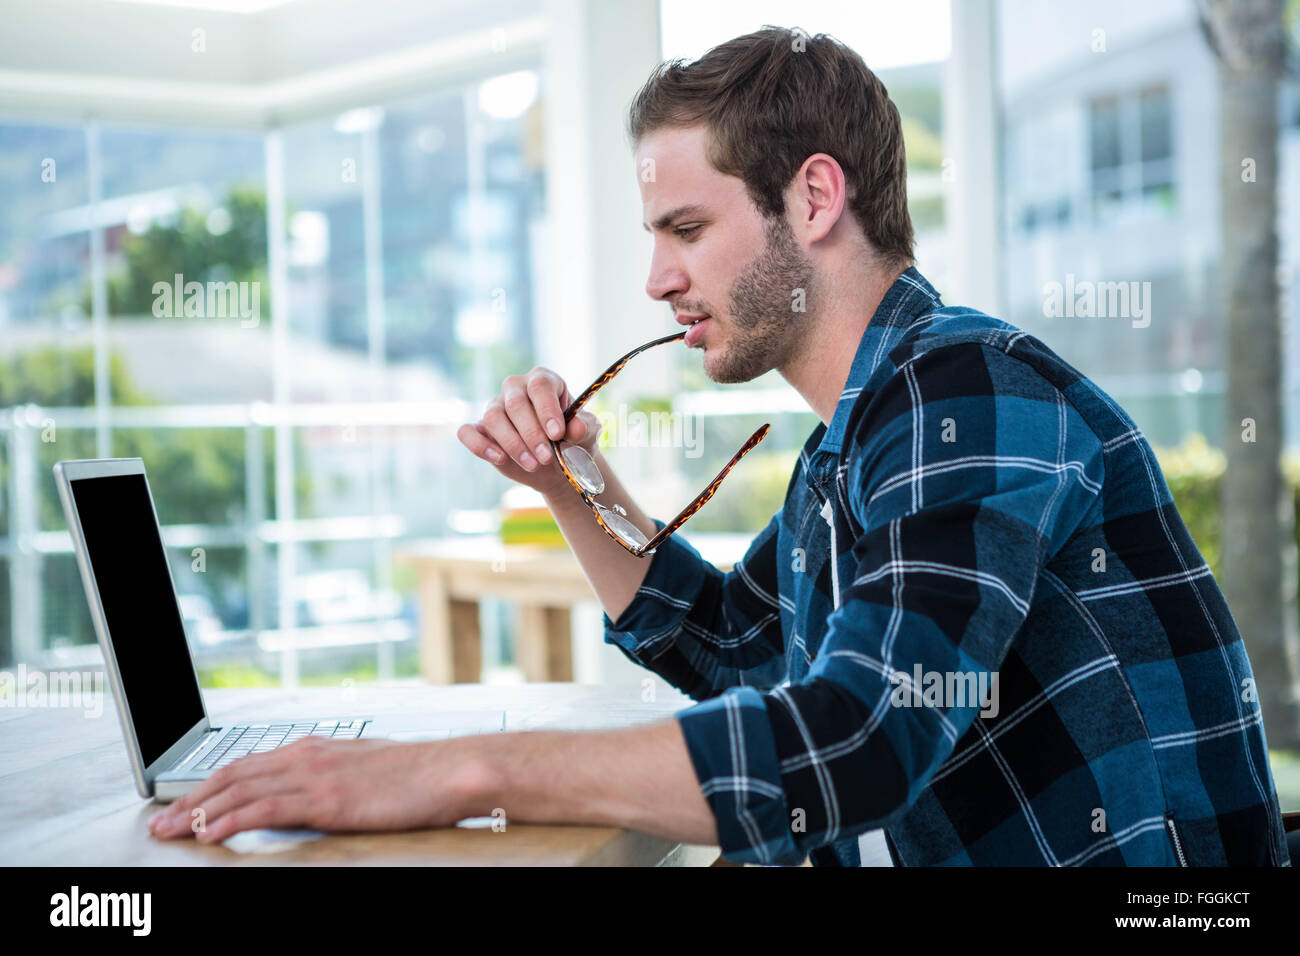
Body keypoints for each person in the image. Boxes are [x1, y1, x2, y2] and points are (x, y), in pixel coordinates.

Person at [151, 26, 1290, 867]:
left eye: (686, 230)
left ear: (813, 197)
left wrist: (461, 768)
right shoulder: (853, 447)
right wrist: (571, 481)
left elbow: (861, 736)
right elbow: (732, 645)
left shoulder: (972, 392)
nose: (657, 278)